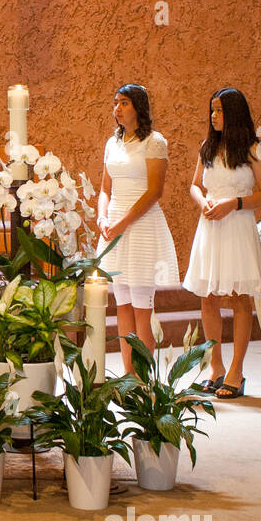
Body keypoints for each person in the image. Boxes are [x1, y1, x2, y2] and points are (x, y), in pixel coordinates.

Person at [182, 87, 261, 398]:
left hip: (237, 224)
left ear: (234, 113)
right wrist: (203, 201)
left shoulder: (253, 148)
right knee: (208, 297)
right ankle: (215, 366)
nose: (213, 116)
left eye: (219, 110)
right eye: (212, 110)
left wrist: (233, 203)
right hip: (210, 227)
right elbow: (194, 186)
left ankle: (237, 370)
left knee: (239, 298)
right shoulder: (208, 146)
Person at [97, 83, 179, 374]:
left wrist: (122, 223)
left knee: (142, 305)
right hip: (115, 225)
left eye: (124, 103)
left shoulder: (155, 142)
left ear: (138, 107)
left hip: (141, 224)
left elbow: (155, 191)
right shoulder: (112, 143)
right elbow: (105, 189)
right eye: (115, 102)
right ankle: (128, 374)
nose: (117, 108)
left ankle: (145, 377)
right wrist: (103, 217)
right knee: (121, 302)